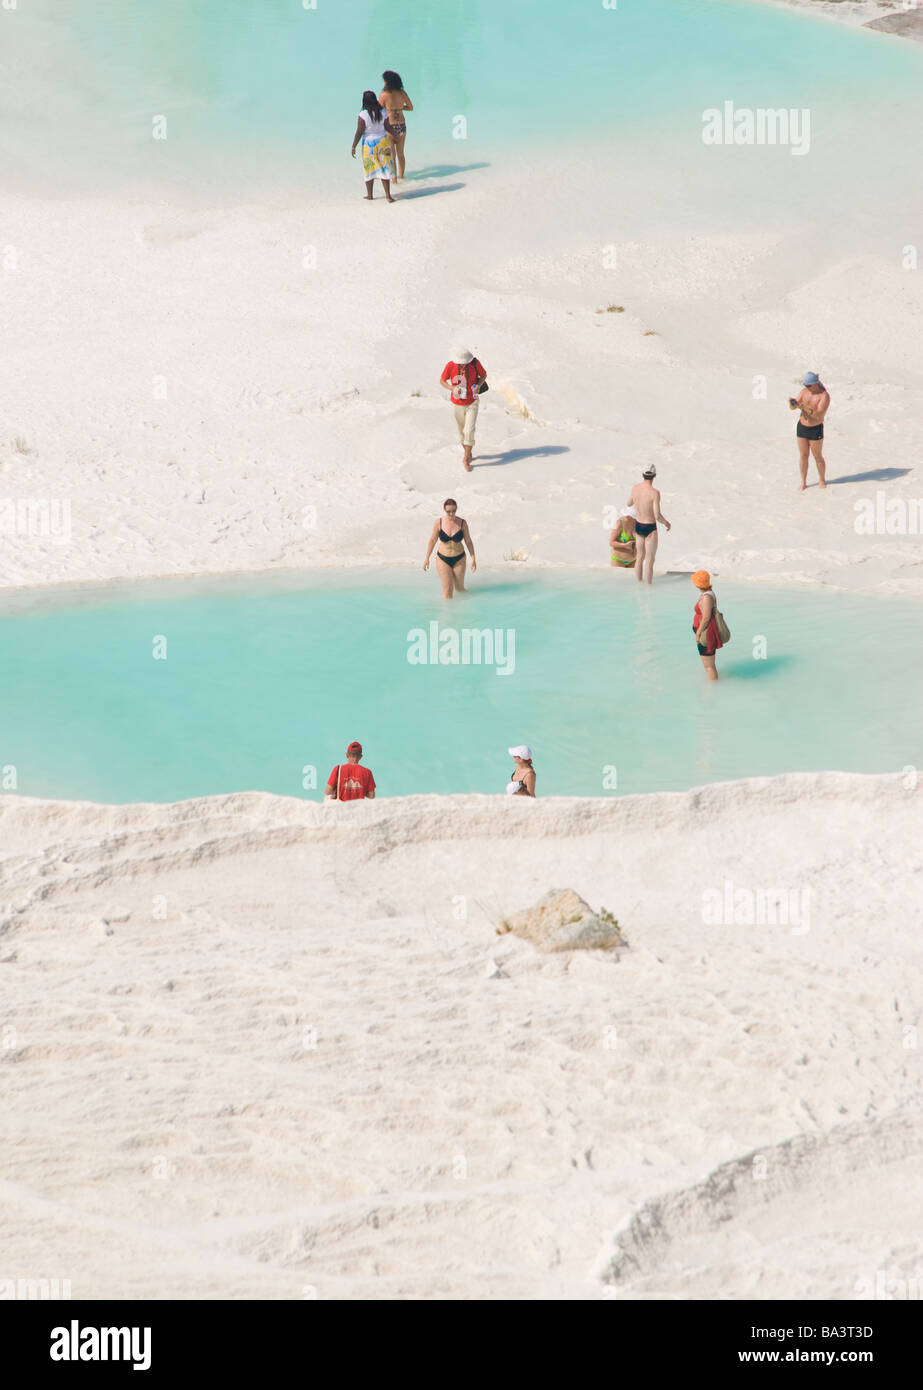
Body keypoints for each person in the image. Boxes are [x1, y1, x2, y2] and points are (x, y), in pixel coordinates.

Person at [440, 348, 486, 471]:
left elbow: (484, 375)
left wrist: (478, 386)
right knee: (461, 433)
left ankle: (466, 458)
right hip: (457, 404)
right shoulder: (450, 365)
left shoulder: (475, 363)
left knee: (469, 430)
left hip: (472, 402)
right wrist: (451, 388)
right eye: (461, 363)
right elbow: (442, 380)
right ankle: (468, 452)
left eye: (465, 362)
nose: (463, 365)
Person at [423, 497, 476, 598]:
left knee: (460, 589)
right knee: (448, 591)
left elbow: (468, 541)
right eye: (448, 512)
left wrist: (473, 558)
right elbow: (433, 540)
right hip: (443, 559)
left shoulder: (462, 523)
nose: (451, 514)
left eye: (454, 511)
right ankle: (446, 608)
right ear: (444, 510)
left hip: (459, 559)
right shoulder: (439, 522)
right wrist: (427, 558)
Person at [628, 465, 671, 584]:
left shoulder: (635, 488)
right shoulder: (655, 493)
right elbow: (657, 515)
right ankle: (648, 587)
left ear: (643, 475)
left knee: (639, 557)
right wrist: (666, 523)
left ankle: (639, 584)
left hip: (638, 525)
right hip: (650, 527)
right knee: (649, 560)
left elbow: (629, 503)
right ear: (654, 476)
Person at [788, 371, 830, 491]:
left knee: (817, 456)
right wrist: (793, 404)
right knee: (803, 455)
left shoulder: (824, 396)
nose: (807, 388)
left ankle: (822, 479)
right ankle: (803, 481)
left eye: (809, 385)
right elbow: (793, 407)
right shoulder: (804, 392)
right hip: (802, 427)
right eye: (805, 385)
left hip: (815, 429)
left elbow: (818, 415)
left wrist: (804, 407)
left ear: (815, 384)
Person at [351, 91, 394, 202]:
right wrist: (396, 134)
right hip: (383, 142)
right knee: (384, 168)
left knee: (369, 169)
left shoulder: (363, 115)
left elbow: (359, 132)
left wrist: (354, 146)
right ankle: (388, 196)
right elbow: (388, 127)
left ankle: (370, 195)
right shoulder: (383, 112)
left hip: (368, 145)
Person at [379, 70, 413, 181]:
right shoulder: (402, 93)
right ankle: (402, 177)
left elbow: (379, 111)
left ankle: (394, 181)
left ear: (387, 82)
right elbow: (411, 107)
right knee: (401, 154)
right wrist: (399, 108)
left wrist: (390, 109)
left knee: (392, 156)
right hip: (401, 126)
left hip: (390, 127)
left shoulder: (384, 95)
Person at [691, 570, 723, 681]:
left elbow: (706, 618)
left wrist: (698, 633)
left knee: (709, 667)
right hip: (706, 631)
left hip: (706, 633)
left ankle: (713, 688)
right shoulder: (708, 593)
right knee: (709, 665)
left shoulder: (706, 597)